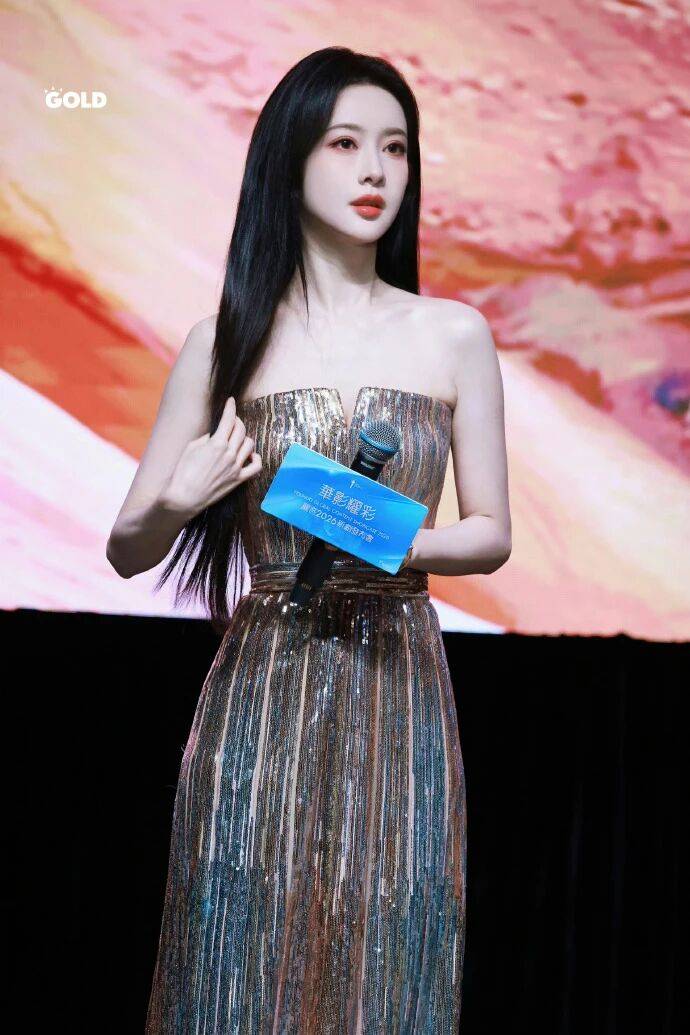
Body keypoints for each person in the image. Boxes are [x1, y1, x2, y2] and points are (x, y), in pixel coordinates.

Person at [107, 46, 511, 1034]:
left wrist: (374, 530)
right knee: (235, 960)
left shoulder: (453, 334)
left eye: (396, 149)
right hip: (266, 680)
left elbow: (491, 535)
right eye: (344, 144)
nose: (376, 171)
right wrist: (180, 498)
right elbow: (126, 546)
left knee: (387, 957)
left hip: (397, 681)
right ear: (289, 161)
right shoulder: (226, 340)